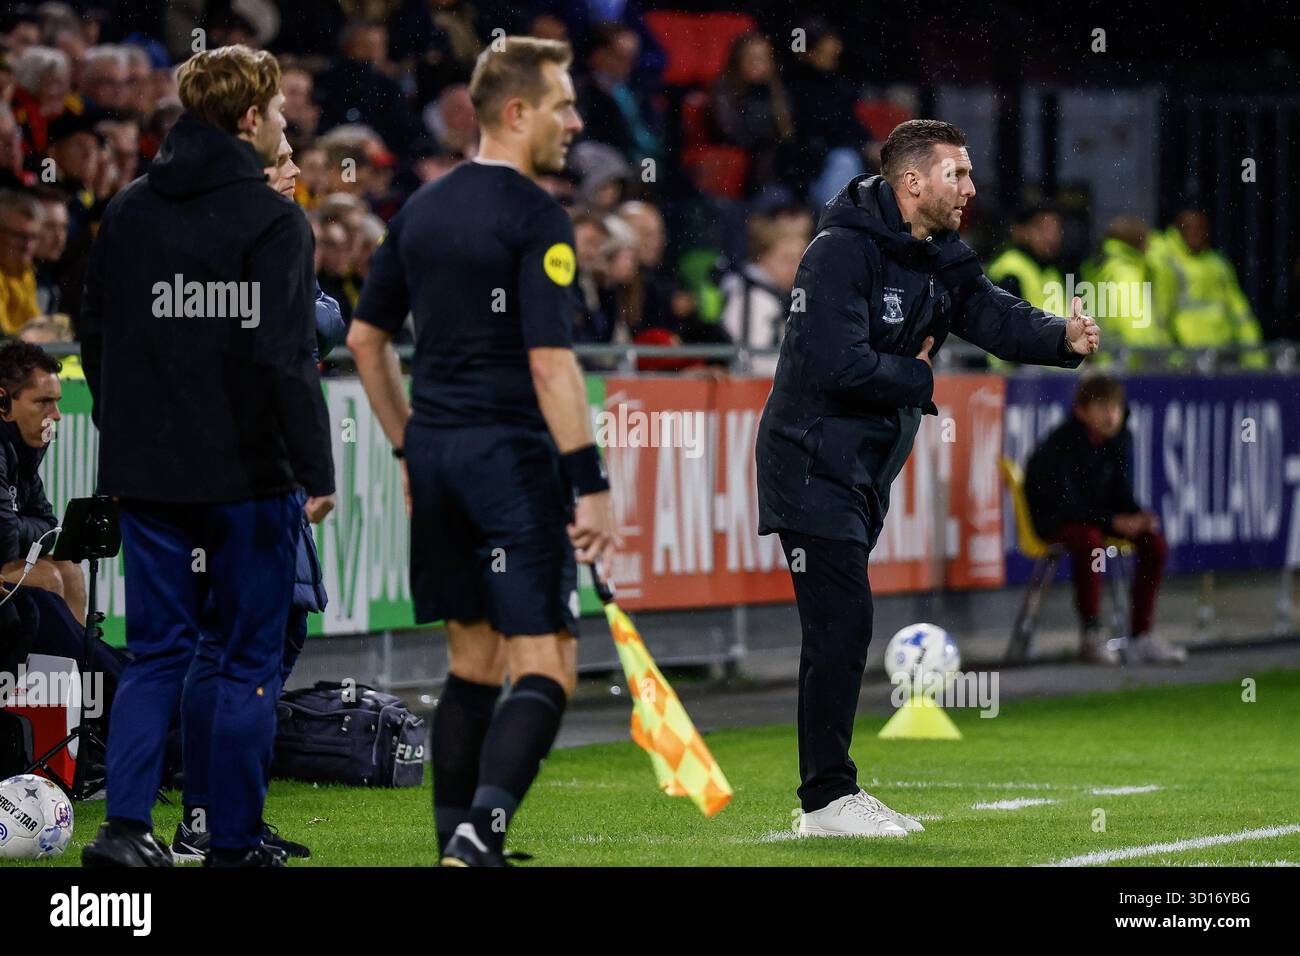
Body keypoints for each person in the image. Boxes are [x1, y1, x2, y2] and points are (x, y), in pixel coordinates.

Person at [755, 120, 1099, 838]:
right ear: (913, 182)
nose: (971, 189)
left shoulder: (937, 253)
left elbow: (991, 315)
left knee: (839, 627)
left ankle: (829, 796)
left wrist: (1059, 340)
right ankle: (826, 799)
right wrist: (916, 372)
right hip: (811, 462)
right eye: (958, 175)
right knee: (841, 626)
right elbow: (834, 364)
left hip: (861, 470)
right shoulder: (838, 254)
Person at [347, 36, 617, 867]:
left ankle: (451, 844)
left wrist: (405, 450)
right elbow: (549, 363)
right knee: (549, 666)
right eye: (563, 105)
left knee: (472, 662)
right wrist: (591, 483)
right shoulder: (538, 217)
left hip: (435, 457)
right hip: (508, 462)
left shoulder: (418, 209)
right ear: (515, 111)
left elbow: (364, 340)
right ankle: (478, 837)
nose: (575, 121)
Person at [78, 45, 336, 868]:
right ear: (251, 118)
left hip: (148, 473)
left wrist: (125, 442)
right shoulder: (273, 221)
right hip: (246, 473)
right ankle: (231, 840)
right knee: (246, 659)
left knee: (156, 652)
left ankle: (124, 831)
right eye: (282, 114)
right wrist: (316, 470)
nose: (288, 125)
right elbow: (285, 357)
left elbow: (95, 336)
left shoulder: (127, 210)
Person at [170, 132, 347, 864]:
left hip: (271, 466)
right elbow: (310, 323)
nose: (296, 178)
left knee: (275, 639)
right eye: (282, 167)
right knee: (229, 645)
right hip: (235, 472)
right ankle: (207, 821)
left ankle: (234, 814)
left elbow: (327, 317)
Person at [1024, 375, 1183, 665]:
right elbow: (1068, 505)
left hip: (1100, 520)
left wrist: (1137, 517)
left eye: (1116, 407)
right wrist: (1115, 522)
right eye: (1102, 407)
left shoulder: (1119, 441)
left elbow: (1121, 491)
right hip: (1055, 521)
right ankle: (1091, 634)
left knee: (1154, 542)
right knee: (1090, 541)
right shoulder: (1061, 444)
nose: (1112, 415)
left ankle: (1141, 636)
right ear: (1081, 411)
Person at [0, 341, 86, 626]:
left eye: (57, 401)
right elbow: (4, 541)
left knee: (69, 571)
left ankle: (77, 667)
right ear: (4, 403)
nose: (56, 414)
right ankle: (51, 669)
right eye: (43, 402)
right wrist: (14, 526)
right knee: (45, 579)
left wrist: (15, 523)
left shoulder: (24, 447)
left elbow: (48, 525)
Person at [1146, 209, 1266, 366]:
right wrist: (1171, 359)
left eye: (1202, 228)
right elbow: (1160, 318)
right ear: (1177, 231)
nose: (1196, 233)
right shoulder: (1166, 264)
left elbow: (1241, 314)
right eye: (1189, 228)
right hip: (1185, 359)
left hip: (1222, 357)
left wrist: (1254, 358)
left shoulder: (1219, 265)